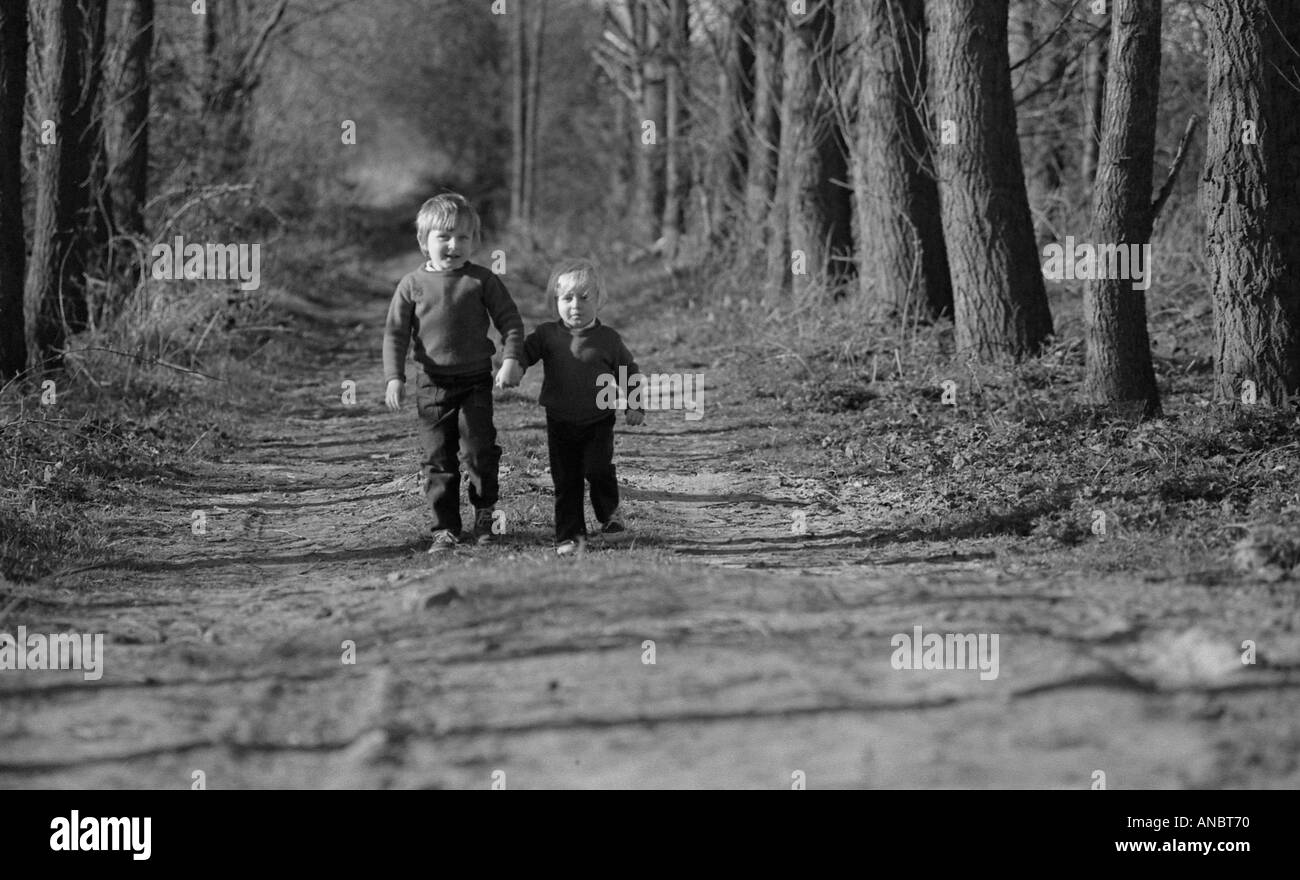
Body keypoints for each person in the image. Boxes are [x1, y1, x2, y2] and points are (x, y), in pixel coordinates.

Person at [383, 193, 525, 553]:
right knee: (438, 459)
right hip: (431, 386)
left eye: (464, 237)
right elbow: (395, 335)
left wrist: (510, 359)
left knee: (479, 452)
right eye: (444, 236)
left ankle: (485, 516)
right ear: (423, 242)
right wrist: (394, 377)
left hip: (475, 382)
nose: (454, 244)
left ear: (474, 242)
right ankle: (444, 528)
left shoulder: (482, 281)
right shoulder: (411, 286)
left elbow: (510, 322)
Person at [507, 258, 643, 556]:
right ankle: (570, 536)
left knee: (597, 469)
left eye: (584, 298)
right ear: (555, 300)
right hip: (560, 420)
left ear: (599, 300)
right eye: (567, 298)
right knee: (566, 480)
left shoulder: (608, 339)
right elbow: (525, 354)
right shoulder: (547, 335)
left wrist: (635, 404)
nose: (575, 305)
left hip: (598, 419)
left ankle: (611, 518)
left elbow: (628, 371)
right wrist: (513, 367)